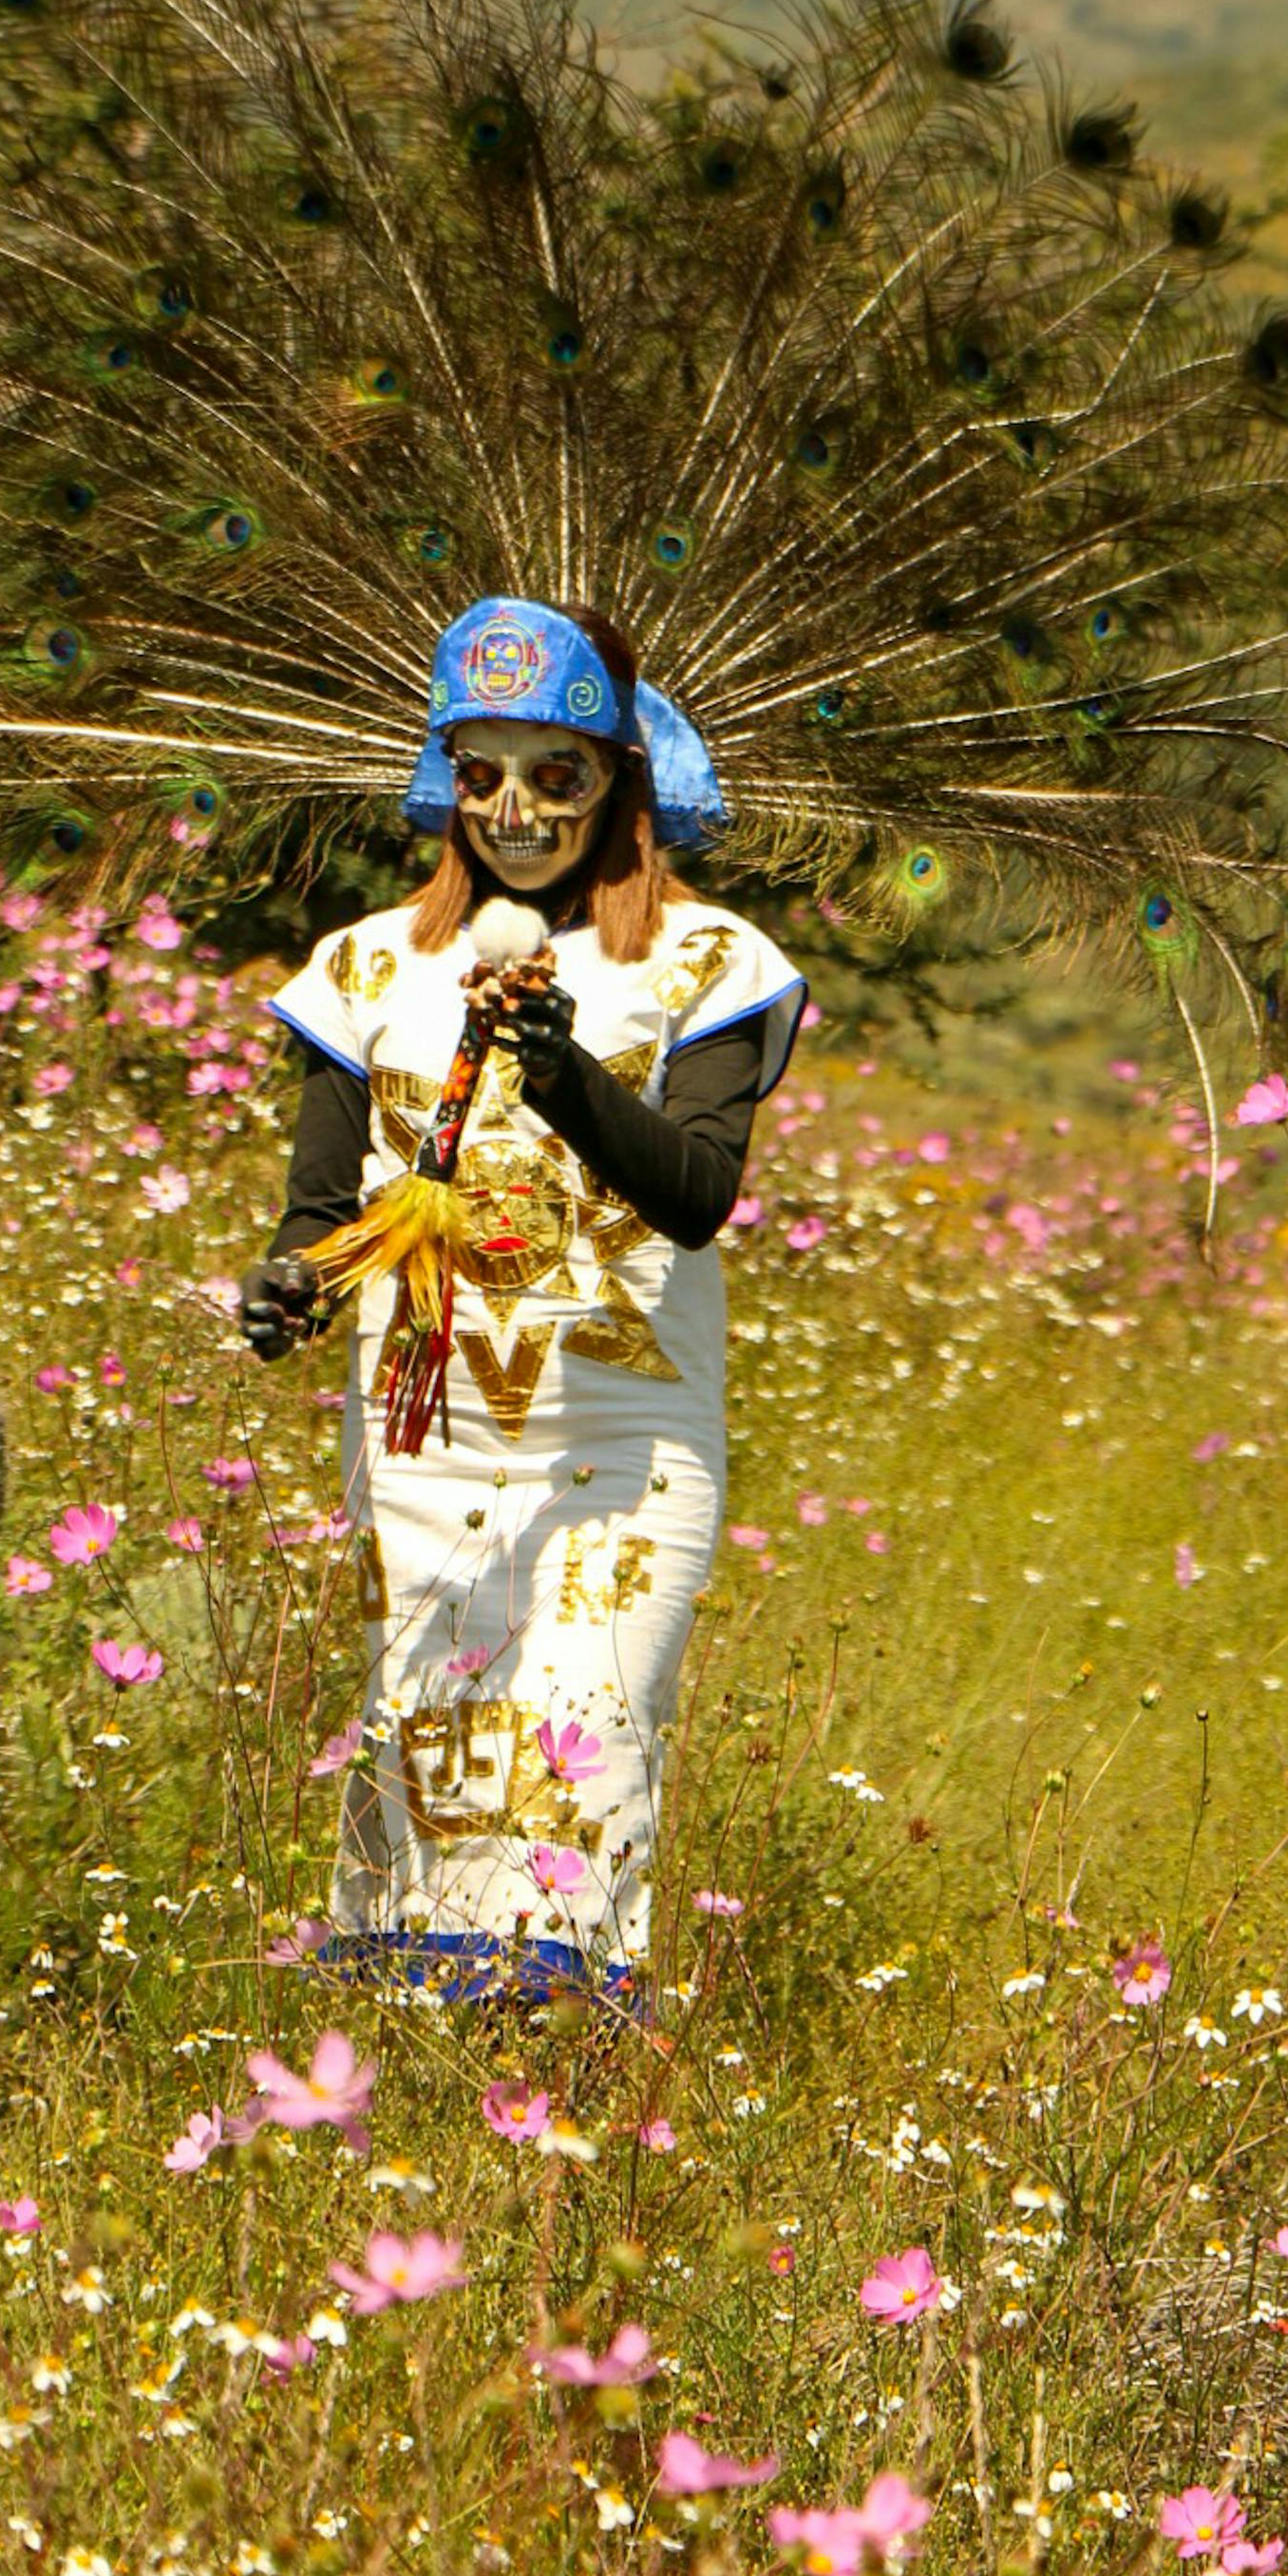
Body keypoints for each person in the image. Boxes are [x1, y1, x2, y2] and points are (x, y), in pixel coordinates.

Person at [242, 596, 804, 1997]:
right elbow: (326, 1208)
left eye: (556, 774)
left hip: (622, 1442)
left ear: (619, 774)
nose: (515, 810)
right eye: (481, 771)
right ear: (445, 776)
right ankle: (422, 2068)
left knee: (586, 1730)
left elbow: (697, 1192)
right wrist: (296, 1287)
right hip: (421, 1441)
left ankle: (567, 2061)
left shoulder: (707, 962)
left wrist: (562, 1075)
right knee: (424, 1757)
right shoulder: (367, 965)